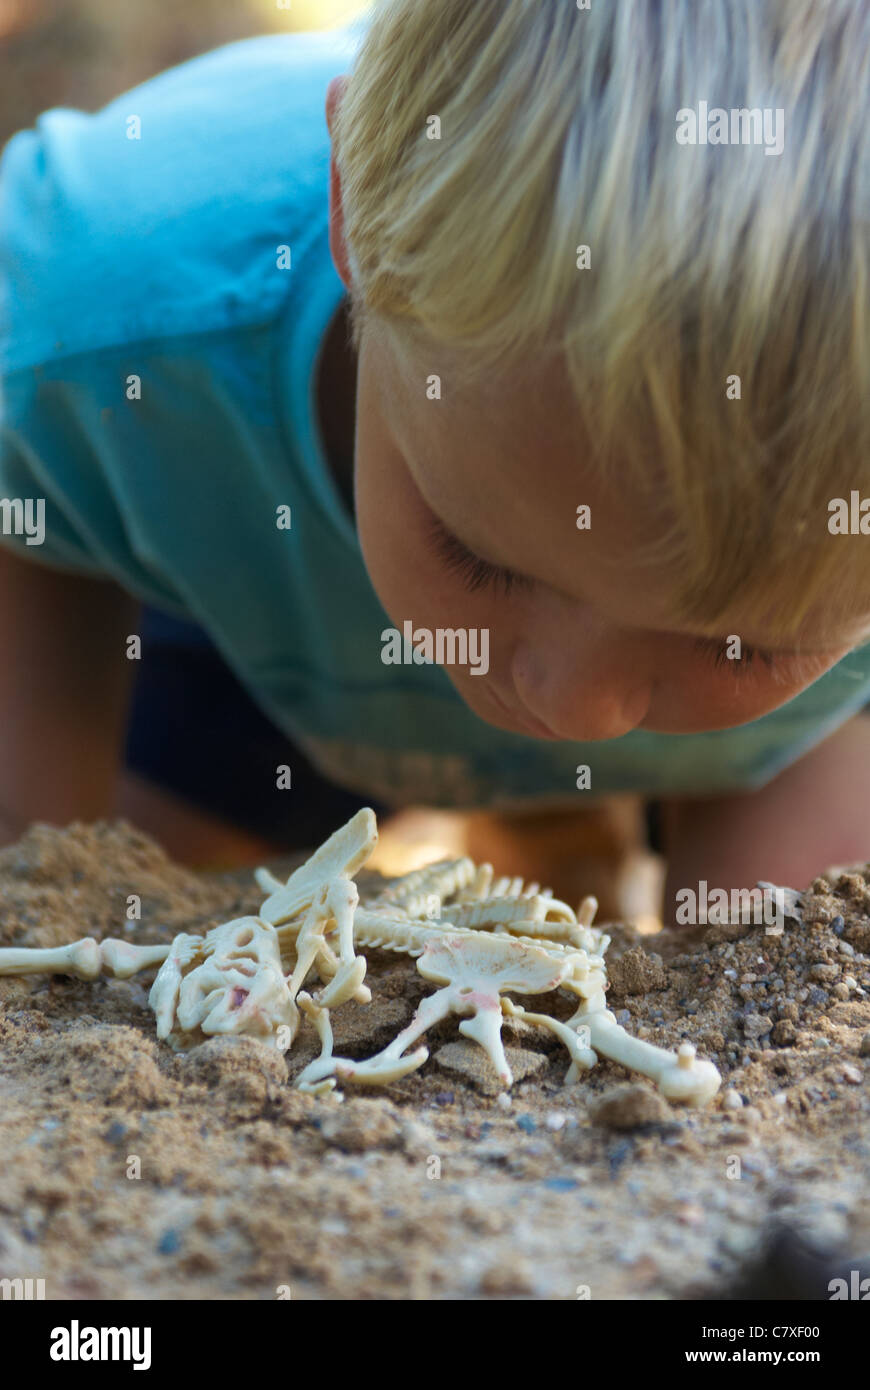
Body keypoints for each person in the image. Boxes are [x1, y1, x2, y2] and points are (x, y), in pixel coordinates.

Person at [1, 0, 869, 917]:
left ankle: (561, 821)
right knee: (125, 905)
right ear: (348, 208)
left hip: (778, 749)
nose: (574, 710)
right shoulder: (99, 309)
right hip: (278, 605)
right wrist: (37, 840)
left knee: (786, 947)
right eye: (478, 557)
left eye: (748, 646)